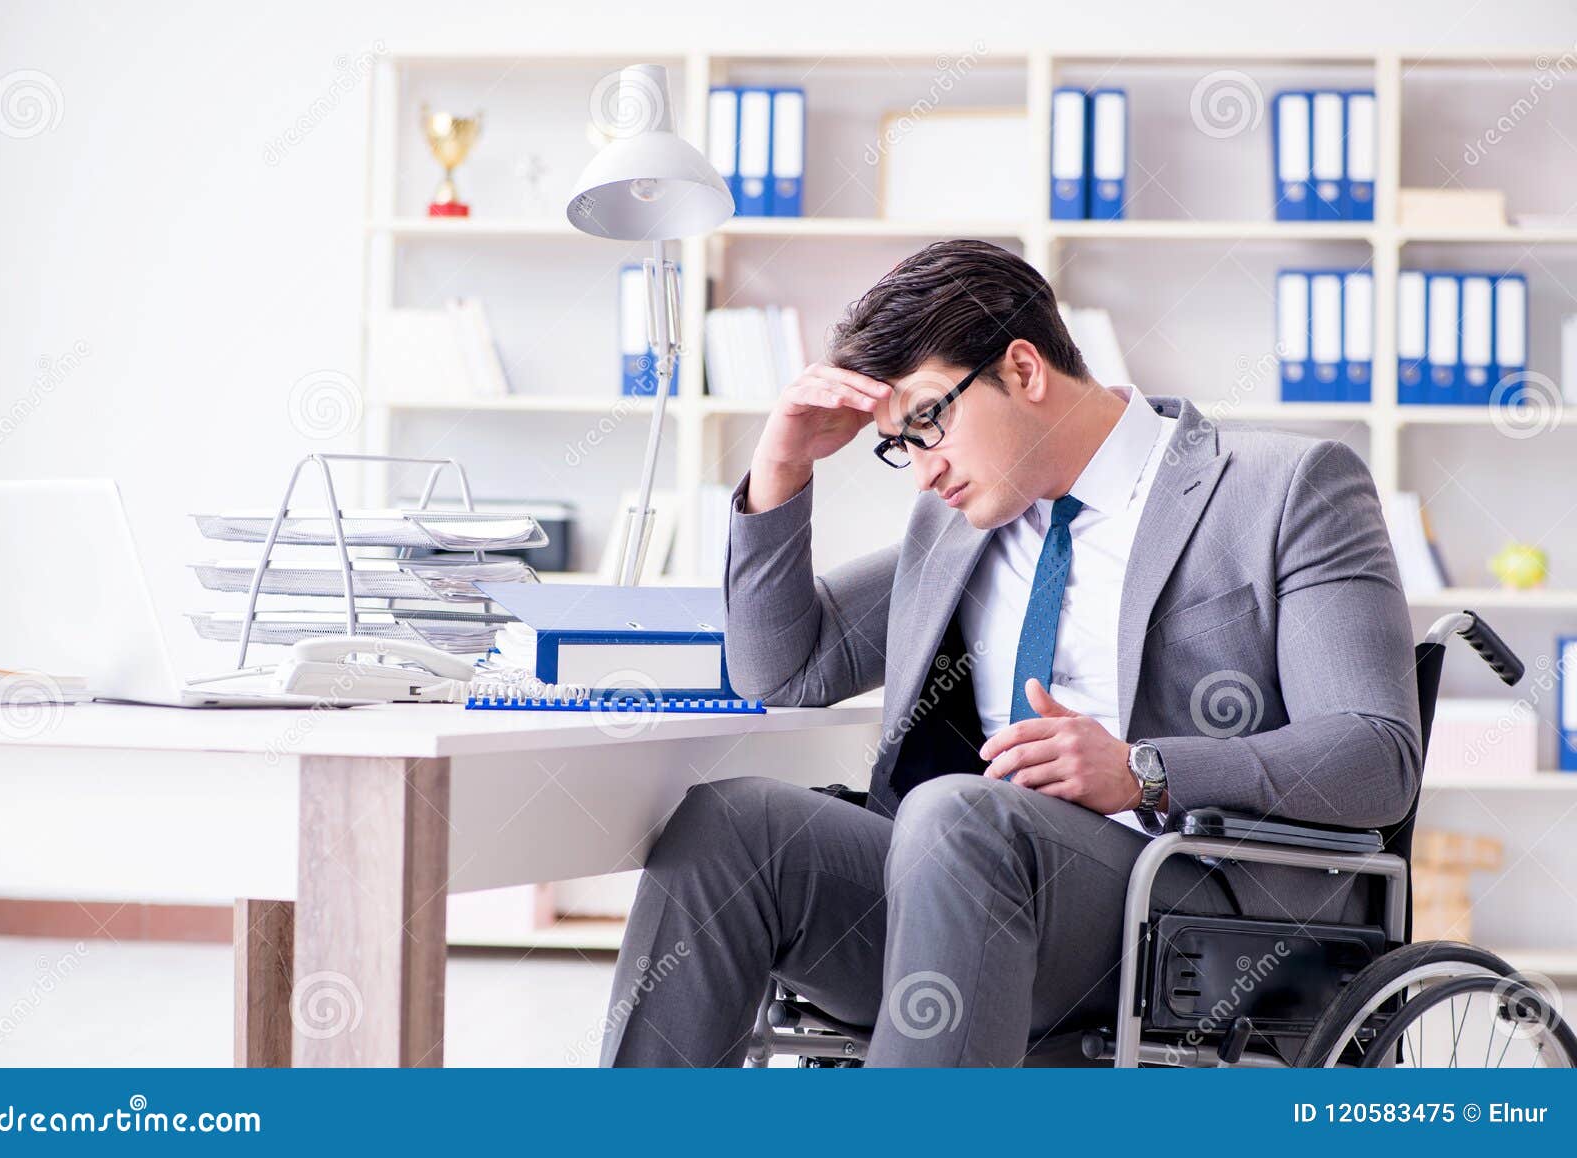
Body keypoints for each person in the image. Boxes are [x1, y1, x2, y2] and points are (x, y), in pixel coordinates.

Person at [600, 239, 1421, 1067]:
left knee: (958, 813)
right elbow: (783, 669)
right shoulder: (961, 525)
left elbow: (1375, 754)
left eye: (928, 422)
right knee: (728, 825)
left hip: (1189, 915)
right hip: (954, 890)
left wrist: (1144, 770)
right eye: (901, 445)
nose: (922, 474)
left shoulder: (1284, 487)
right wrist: (778, 466)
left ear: (1023, 369)